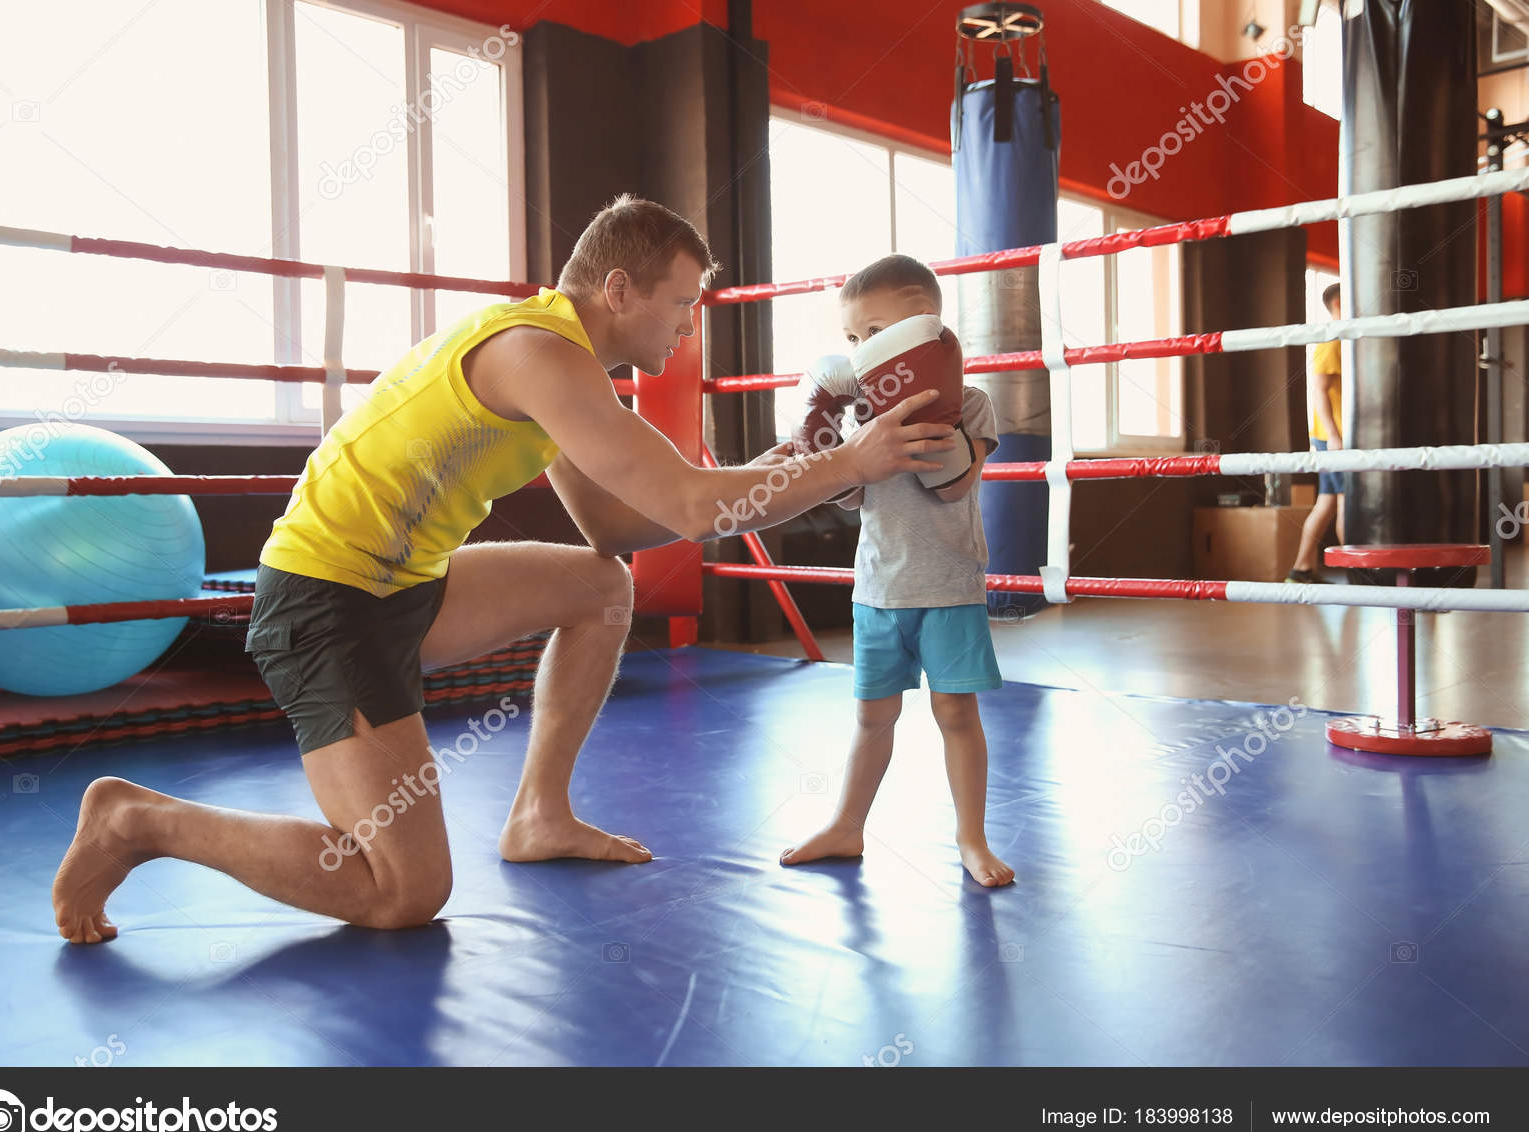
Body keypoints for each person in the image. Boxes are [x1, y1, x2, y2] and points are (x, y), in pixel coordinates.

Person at [51, 196, 957, 942]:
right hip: (325, 603)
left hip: (405, 587)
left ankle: (538, 813)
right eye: (681, 303)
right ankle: (139, 819)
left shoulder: (562, 364)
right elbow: (689, 507)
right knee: (402, 892)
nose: (688, 325)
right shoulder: (537, 353)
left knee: (601, 587)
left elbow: (612, 527)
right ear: (618, 288)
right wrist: (844, 463)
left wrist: (776, 471)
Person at [779, 254, 1014, 888]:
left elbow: (953, 484)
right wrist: (821, 440)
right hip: (878, 588)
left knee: (956, 714)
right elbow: (847, 496)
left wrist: (924, 416)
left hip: (947, 589)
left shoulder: (972, 403)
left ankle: (971, 837)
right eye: (852, 338)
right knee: (871, 719)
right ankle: (845, 825)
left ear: (923, 326)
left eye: (874, 334)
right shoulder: (857, 416)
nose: (860, 352)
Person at [1287, 282, 1345, 583]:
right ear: (1339, 304)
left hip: (1333, 437)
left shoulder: (1343, 338)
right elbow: (1319, 390)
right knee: (1346, 501)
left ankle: (1301, 568)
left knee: (1328, 503)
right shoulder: (1332, 340)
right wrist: (1334, 436)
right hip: (1333, 438)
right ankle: (1359, 574)